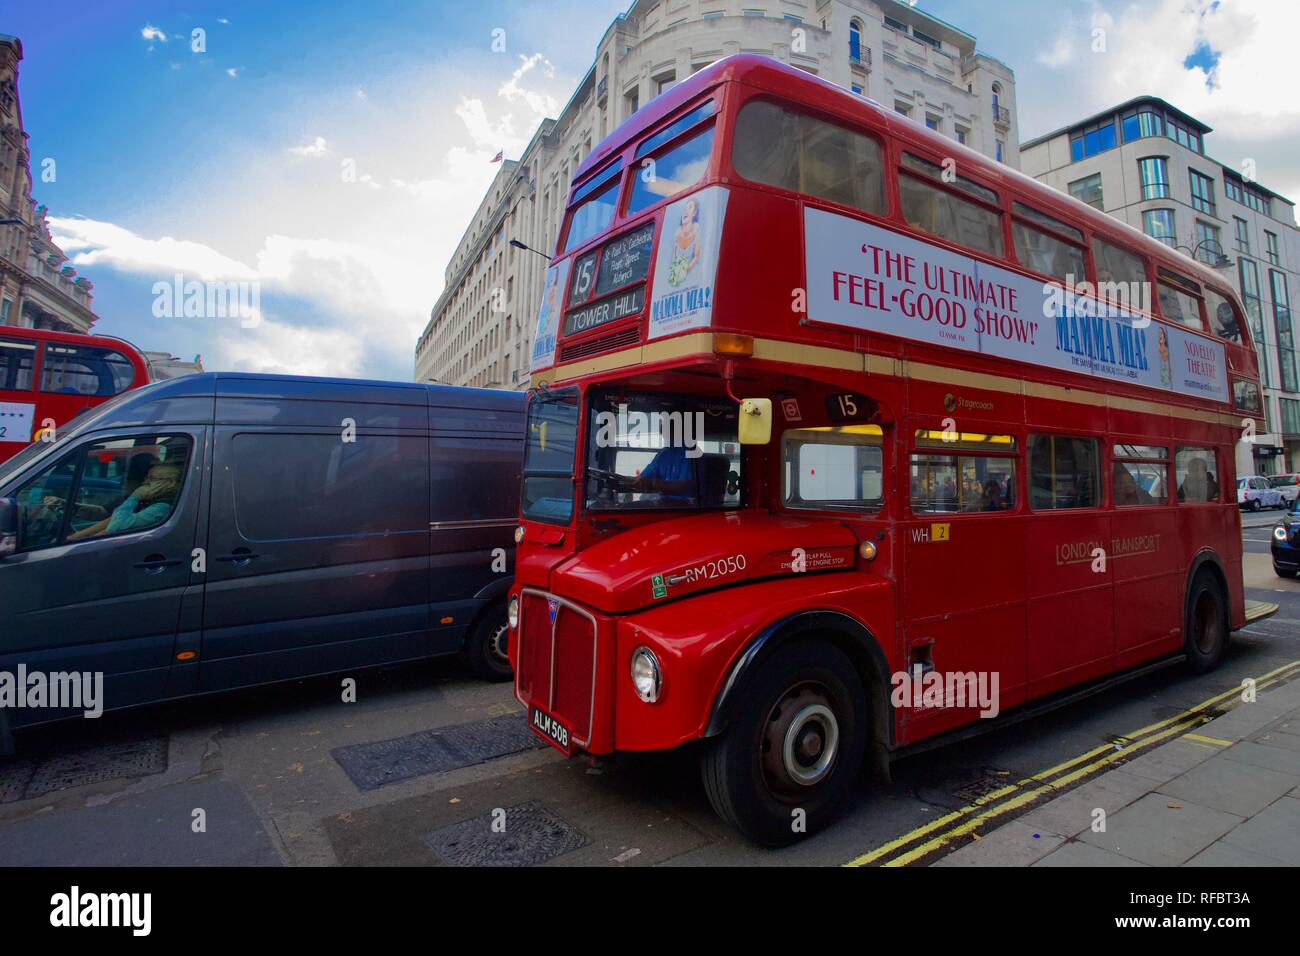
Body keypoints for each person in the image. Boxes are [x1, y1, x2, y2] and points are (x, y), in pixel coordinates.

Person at [68, 463, 182, 541]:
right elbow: (112, 518)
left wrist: (134, 497)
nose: (145, 482)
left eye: (151, 478)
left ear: (171, 482)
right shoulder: (151, 499)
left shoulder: (164, 506)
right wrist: (77, 536)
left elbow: (117, 525)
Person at [626, 446, 696, 505]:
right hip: (664, 501)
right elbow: (643, 478)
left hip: (687, 505)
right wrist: (623, 479)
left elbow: (687, 486)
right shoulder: (664, 453)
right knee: (625, 507)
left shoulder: (691, 452)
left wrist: (654, 484)